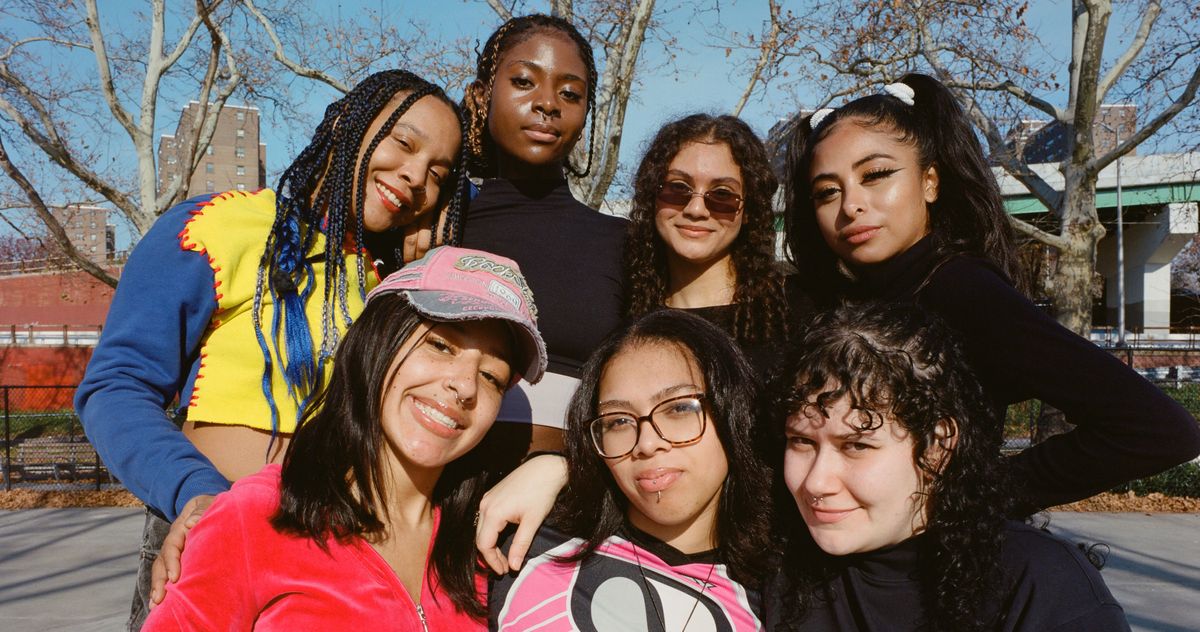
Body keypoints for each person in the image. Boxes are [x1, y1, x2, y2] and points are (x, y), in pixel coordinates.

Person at [74, 69, 468, 629]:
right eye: (403, 142)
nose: (414, 176)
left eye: (439, 174)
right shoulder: (219, 224)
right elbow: (115, 386)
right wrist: (197, 497)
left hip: (333, 555)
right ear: (346, 128)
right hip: (206, 530)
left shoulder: (389, 289)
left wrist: (422, 266)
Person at [782, 72, 1200, 513]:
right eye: (827, 192)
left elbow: (1156, 429)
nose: (851, 205)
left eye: (876, 174)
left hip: (937, 572)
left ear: (931, 181)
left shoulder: (961, 290)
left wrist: (973, 500)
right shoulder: (838, 303)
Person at [142, 246, 548, 630]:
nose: (465, 386)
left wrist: (555, 467)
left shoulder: (487, 545)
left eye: (491, 377)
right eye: (441, 345)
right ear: (377, 342)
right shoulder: (255, 518)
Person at [764, 301, 1130, 631]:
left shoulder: (1041, 585)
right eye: (802, 441)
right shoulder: (771, 567)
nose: (816, 482)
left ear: (939, 444)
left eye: (857, 445)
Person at [489, 310, 772, 631]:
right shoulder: (528, 538)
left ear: (733, 412)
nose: (647, 444)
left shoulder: (779, 599)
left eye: (679, 408)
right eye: (619, 420)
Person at [459, 13, 627, 460]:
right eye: (523, 82)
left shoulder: (627, 245)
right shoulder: (435, 231)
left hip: (574, 509)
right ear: (480, 97)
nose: (548, 103)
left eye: (570, 93)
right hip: (433, 505)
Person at [625, 113, 810, 377]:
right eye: (678, 188)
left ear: (748, 210)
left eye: (722, 194)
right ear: (652, 196)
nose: (696, 209)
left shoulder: (802, 313)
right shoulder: (624, 320)